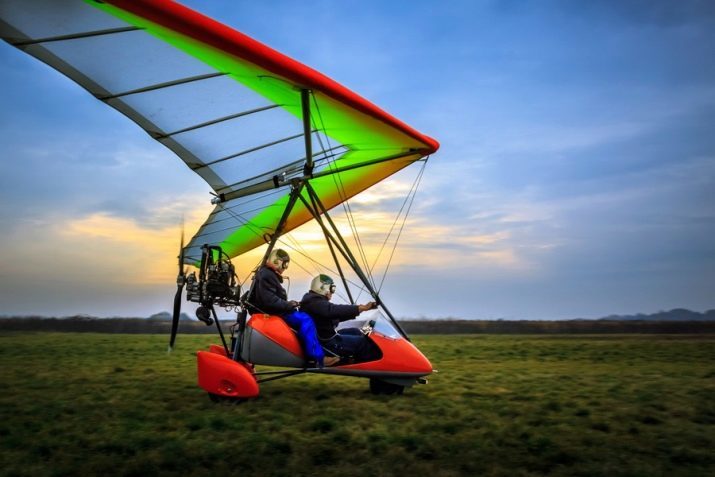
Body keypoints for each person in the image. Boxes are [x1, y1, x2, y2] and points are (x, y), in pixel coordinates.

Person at [248, 249, 338, 367]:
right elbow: (269, 301)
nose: (285, 267)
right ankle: (317, 357)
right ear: (277, 261)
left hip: (274, 311)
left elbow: (270, 299)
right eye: (285, 264)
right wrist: (288, 304)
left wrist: (289, 304)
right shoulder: (267, 275)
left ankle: (311, 350)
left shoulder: (265, 273)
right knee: (305, 319)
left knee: (302, 317)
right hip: (274, 313)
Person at [300, 274, 378, 363]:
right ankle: (369, 367)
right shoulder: (314, 302)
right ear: (323, 288)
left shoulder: (313, 301)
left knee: (356, 331)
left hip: (326, 339)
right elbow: (333, 310)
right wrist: (360, 308)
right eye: (332, 289)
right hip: (325, 344)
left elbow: (334, 317)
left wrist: (359, 311)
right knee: (362, 343)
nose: (333, 292)